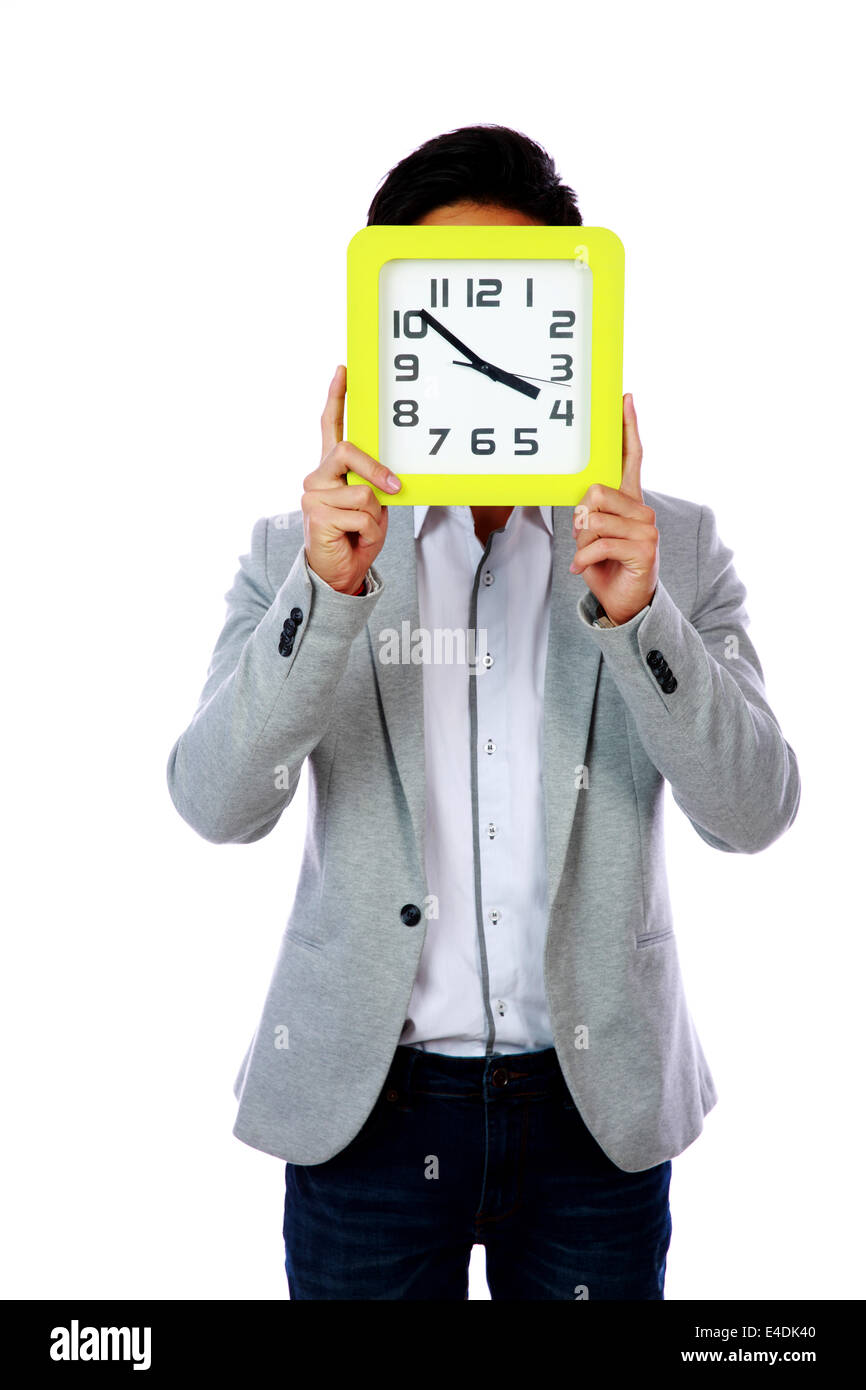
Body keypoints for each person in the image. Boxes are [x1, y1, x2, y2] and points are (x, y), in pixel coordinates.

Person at [166, 124, 801, 1300]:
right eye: (444, 322)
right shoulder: (299, 554)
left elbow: (752, 813)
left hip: (591, 1117)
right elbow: (213, 804)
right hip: (368, 1110)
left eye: (511, 315)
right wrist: (332, 589)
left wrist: (639, 616)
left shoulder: (674, 547)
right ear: (383, 347)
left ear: (574, 331)